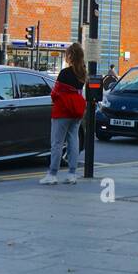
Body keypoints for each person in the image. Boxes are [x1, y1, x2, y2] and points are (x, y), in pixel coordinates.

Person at [42, 43, 87, 185]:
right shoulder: (82, 72)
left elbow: (55, 93)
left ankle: (52, 174)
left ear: (71, 55)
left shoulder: (64, 73)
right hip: (77, 110)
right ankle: (72, 174)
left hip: (62, 111)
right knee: (73, 141)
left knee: (57, 142)